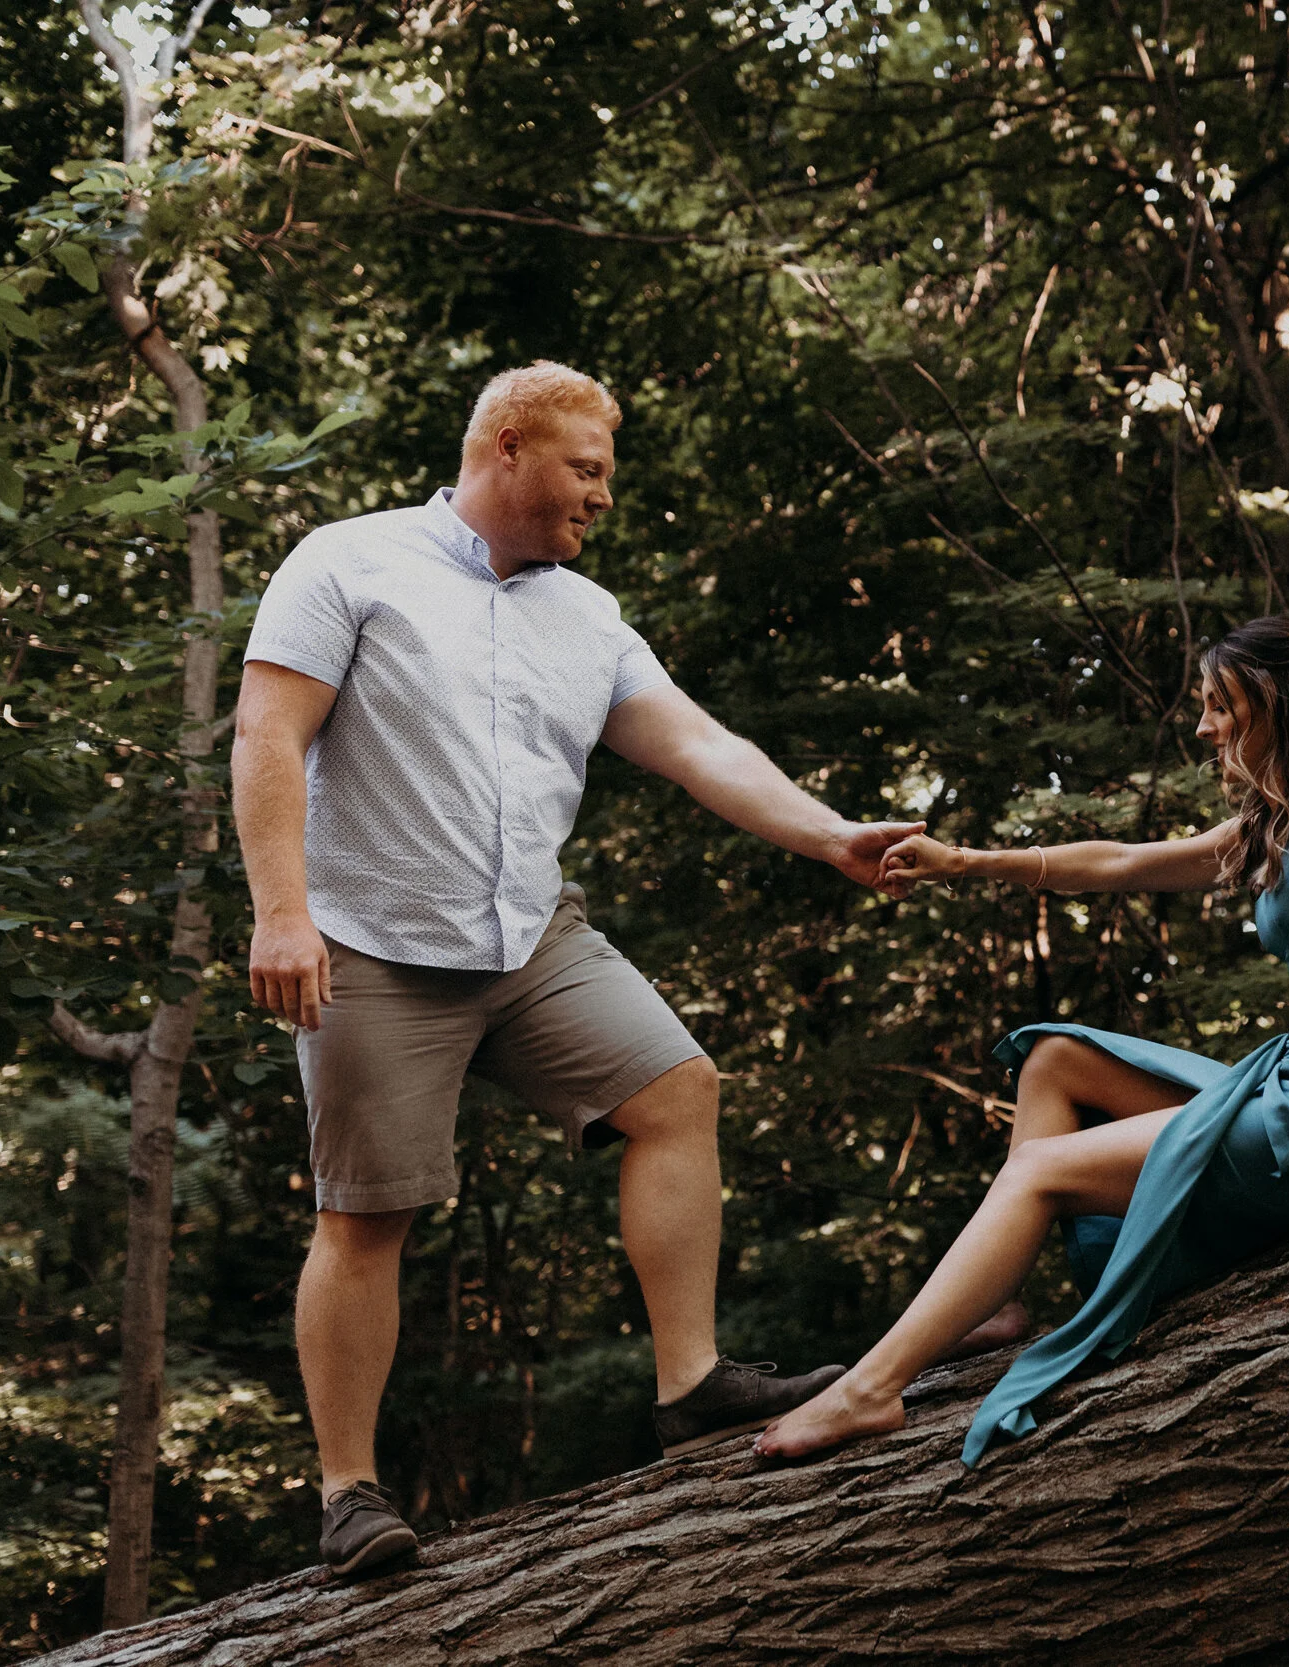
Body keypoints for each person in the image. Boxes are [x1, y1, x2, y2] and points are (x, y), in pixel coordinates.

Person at [232, 361, 921, 1576]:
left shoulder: (587, 617)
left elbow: (700, 744)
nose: (604, 497)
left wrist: (827, 833)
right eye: (588, 470)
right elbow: (267, 732)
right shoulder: (348, 562)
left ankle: (693, 1383)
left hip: (530, 937)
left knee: (676, 1091)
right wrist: (281, 912)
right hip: (374, 946)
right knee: (368, 1215)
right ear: (507, 446)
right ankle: (348, 1493)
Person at [751, 617, 1289, 1466]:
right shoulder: (1275, 816)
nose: (1206, 725)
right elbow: (1122, 863)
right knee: (1053, 1056)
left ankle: (870, 1389)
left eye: (1221, 704)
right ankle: (998, 1284)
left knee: (1037, 1168)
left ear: (1273, 700)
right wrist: (964, 862)